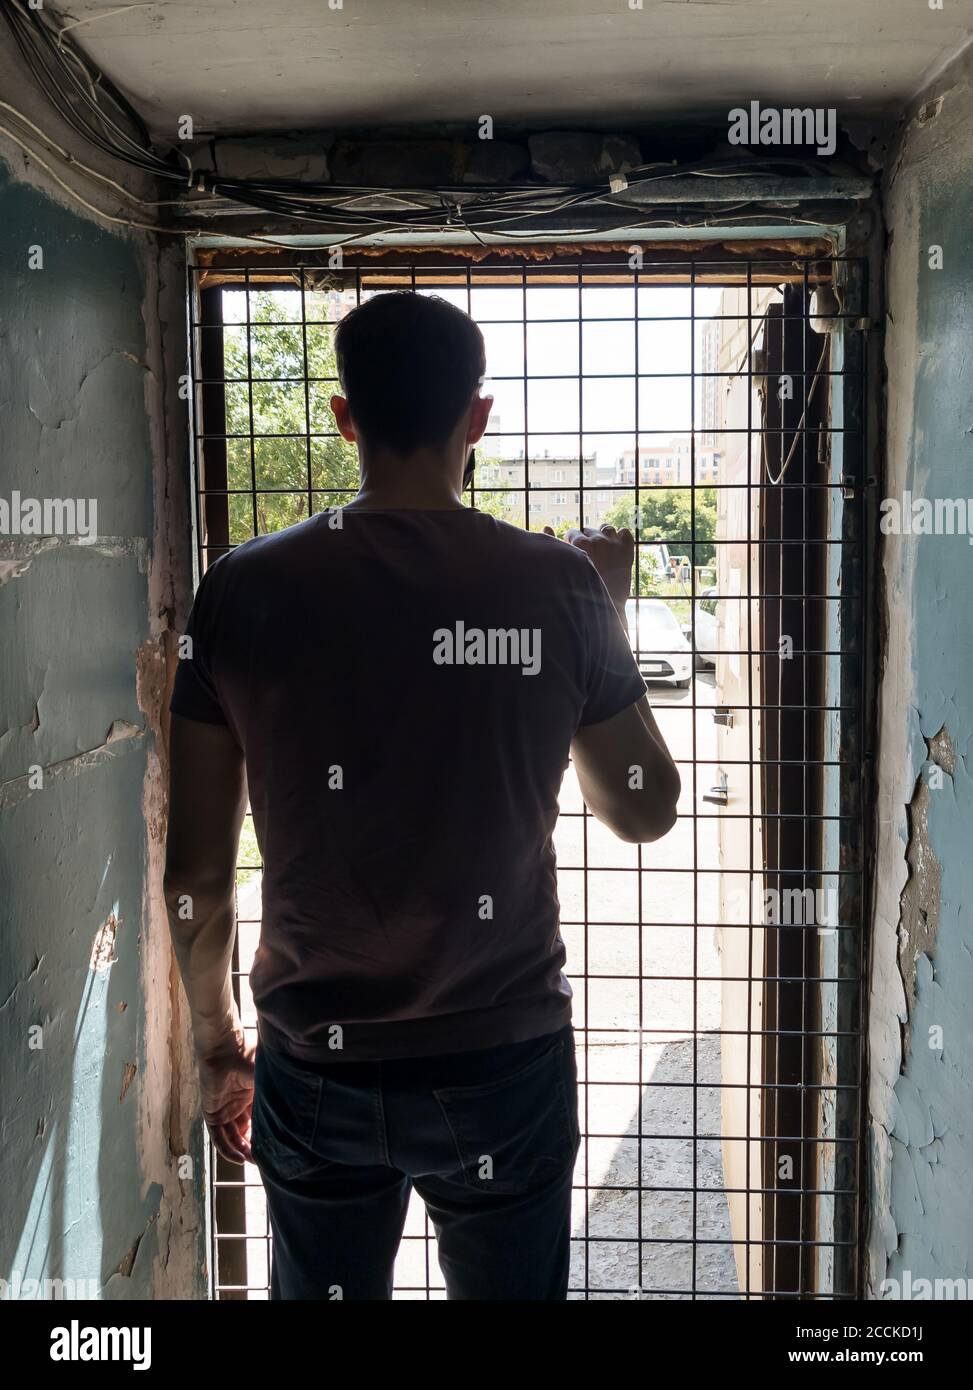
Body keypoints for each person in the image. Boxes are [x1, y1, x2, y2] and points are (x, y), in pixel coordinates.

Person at [164, 290, 680, 1301]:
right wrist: (601, 612)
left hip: (317, 1061)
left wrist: (221, 1047)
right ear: (476, 417)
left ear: (343, 416)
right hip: (502, 1055)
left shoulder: (241, 589)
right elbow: (644, 808)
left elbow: (196, 874)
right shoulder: (555, 586)